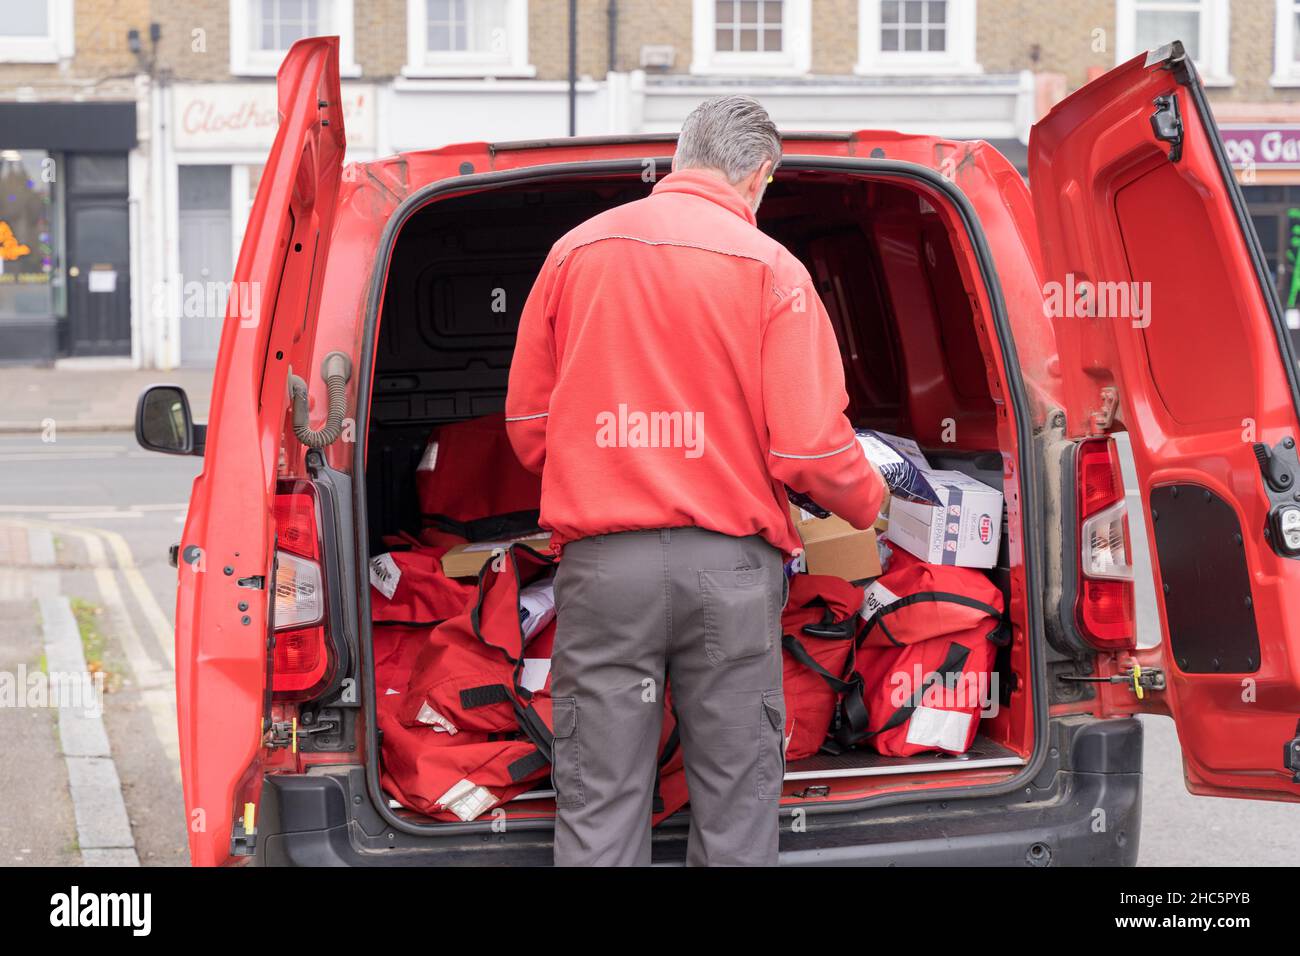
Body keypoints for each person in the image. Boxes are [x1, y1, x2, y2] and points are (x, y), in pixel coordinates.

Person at [505, 95, 885, 866]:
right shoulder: (773, 271)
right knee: (737, 799)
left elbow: (529, 428)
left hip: (604, 573)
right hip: (731, 575)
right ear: (760, 176)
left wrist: (608, 467)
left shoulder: (574, 253)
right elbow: (809, 449)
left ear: (680, 157)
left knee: (599, 802)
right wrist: (870, 500)